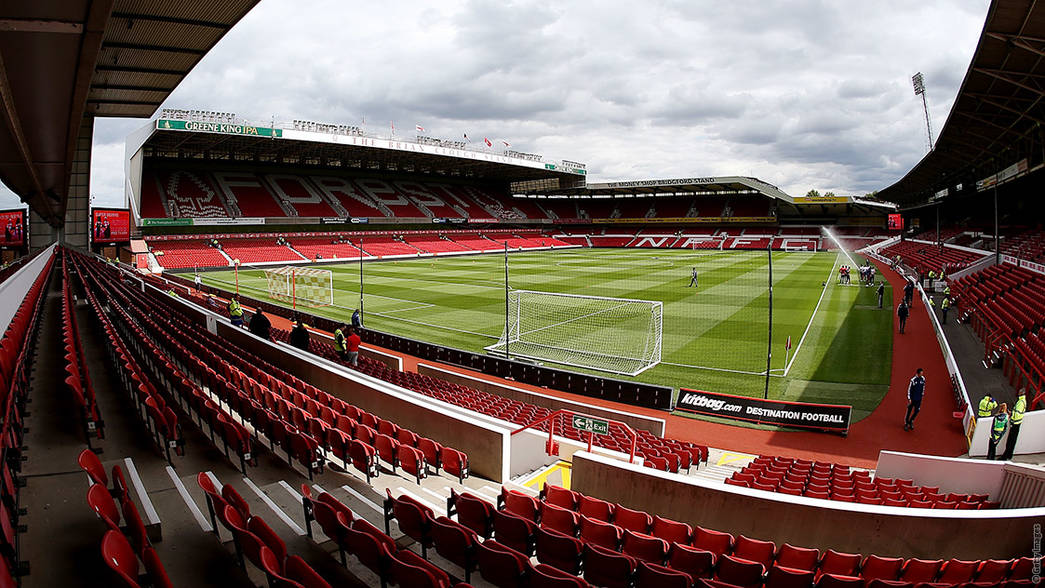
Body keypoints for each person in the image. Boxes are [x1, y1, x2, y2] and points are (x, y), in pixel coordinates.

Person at [1001, 391, 1026, 460]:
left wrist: (1012, 418)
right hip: (1017, 423)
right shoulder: (1022, 401)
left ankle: (1005, 456)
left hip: (1015, 423)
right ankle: (1009, 455)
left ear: (1021, 393)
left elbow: (1016, 414)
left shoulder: (1020, 402)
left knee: (1010, 441)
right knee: (1012, 440)